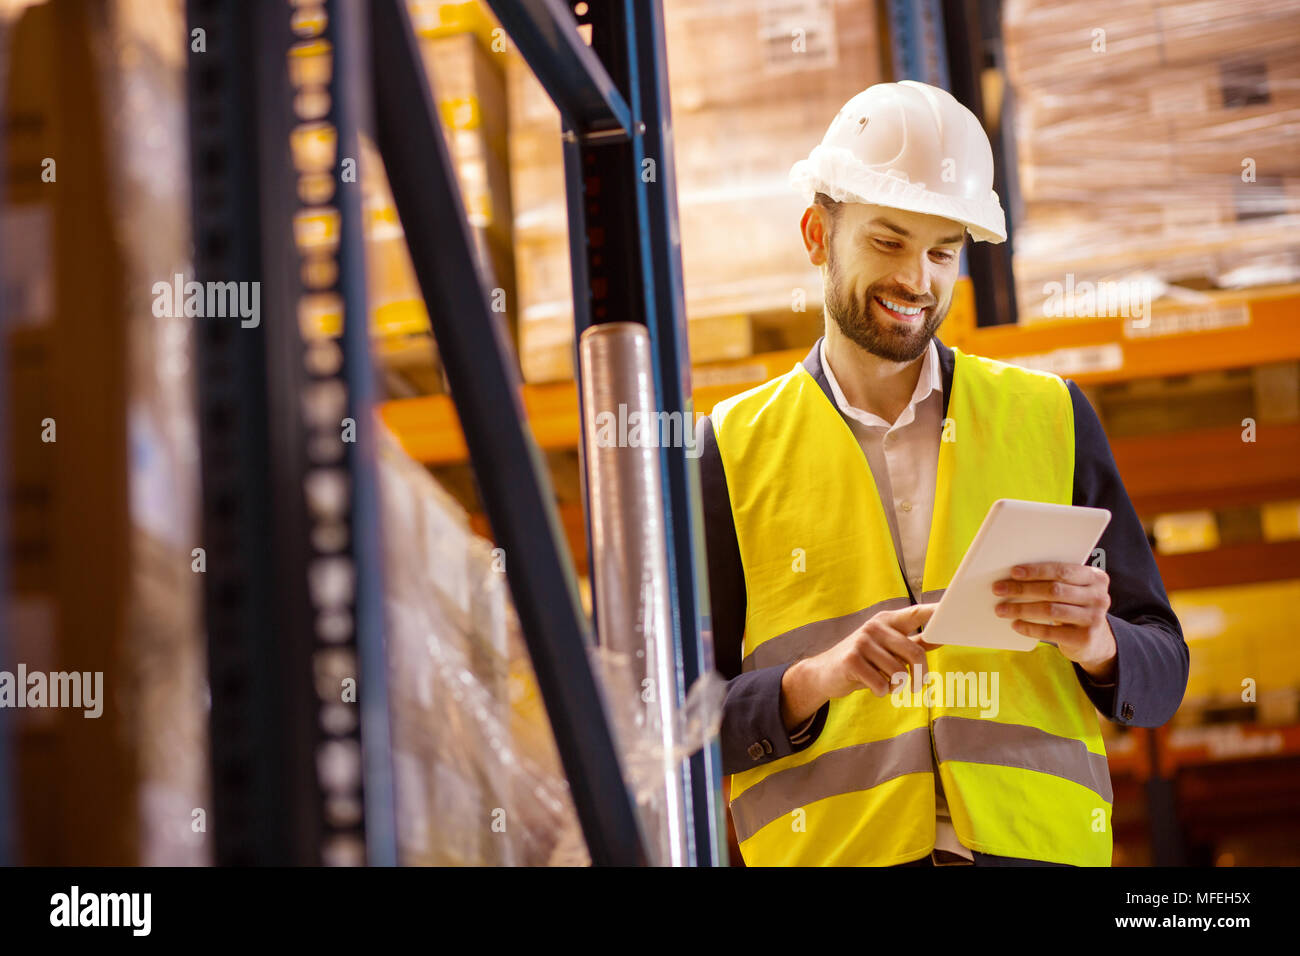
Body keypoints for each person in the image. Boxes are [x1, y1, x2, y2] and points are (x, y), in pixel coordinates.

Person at [695, 81, 1188, 867]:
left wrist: (1099, 643)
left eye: (941, 251)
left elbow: (1162, 676)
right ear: (817, 235)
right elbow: (677, 723)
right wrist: (816, 680)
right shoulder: (731, 449)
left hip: (1037, 855)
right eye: (887, 243)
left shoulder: (1050, 417)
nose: (917, 282)